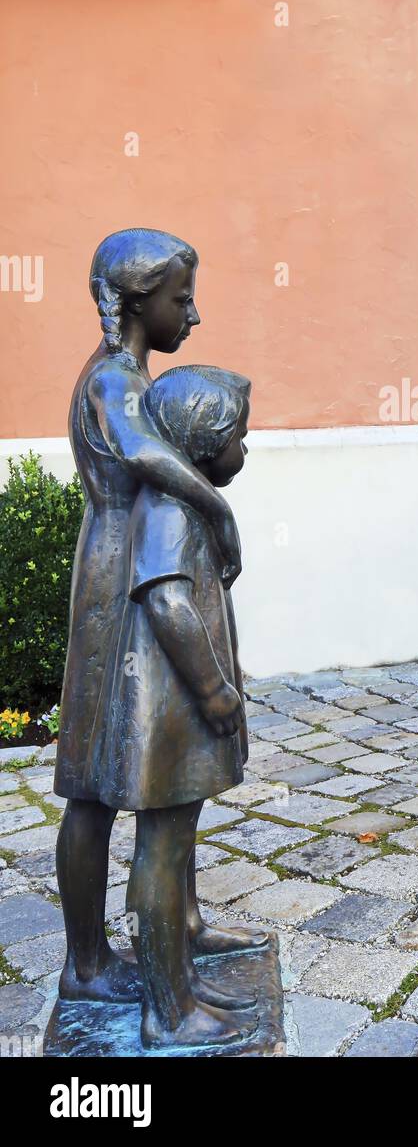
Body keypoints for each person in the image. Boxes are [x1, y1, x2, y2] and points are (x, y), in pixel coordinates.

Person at [54, 229, 262, 1010]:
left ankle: (187, 920)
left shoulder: (133, 371)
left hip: (128, 561)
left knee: (160, 773)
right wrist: (219, 509)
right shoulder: (113, 379)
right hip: (120, 581)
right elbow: (144, 456)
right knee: (99, 782)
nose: (194, 315)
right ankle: (87, 961)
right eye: (181, 298)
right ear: (140, 302)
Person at [89, 365, 254, 1048]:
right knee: (161, 849)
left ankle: (179, 979)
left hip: (178, 704)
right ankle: (168, 1009)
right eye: (242, 437)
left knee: (174, 843)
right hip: (170, 707)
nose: (248, 448)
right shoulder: (171, 510)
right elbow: (166, 601)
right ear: (208, 442)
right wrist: (215, 690)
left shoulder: (177, 506)